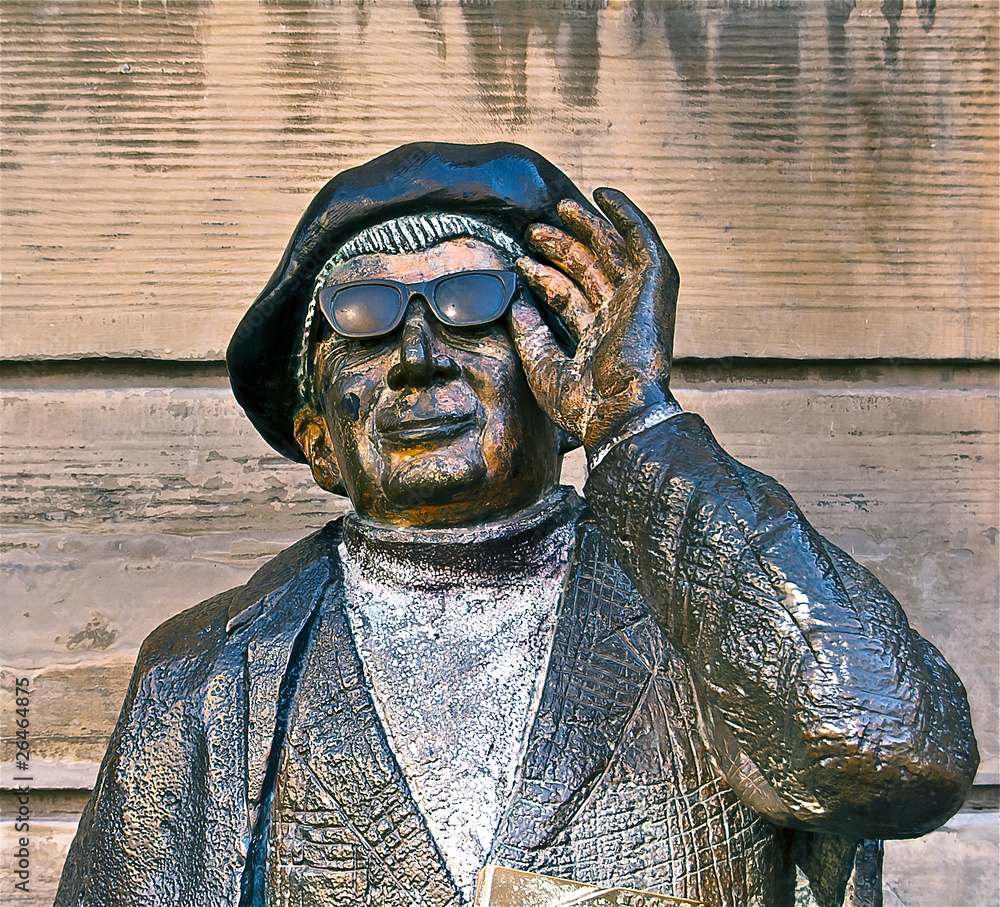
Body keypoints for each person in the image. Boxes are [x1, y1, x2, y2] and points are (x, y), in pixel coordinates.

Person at [55, 143, 977, 907]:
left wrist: (638, 426)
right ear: (319, 443)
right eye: (365, 319)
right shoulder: (204, 681)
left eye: (471, 305)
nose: (417, 357)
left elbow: (894, 757)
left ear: (560, 379)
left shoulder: (709, 612)